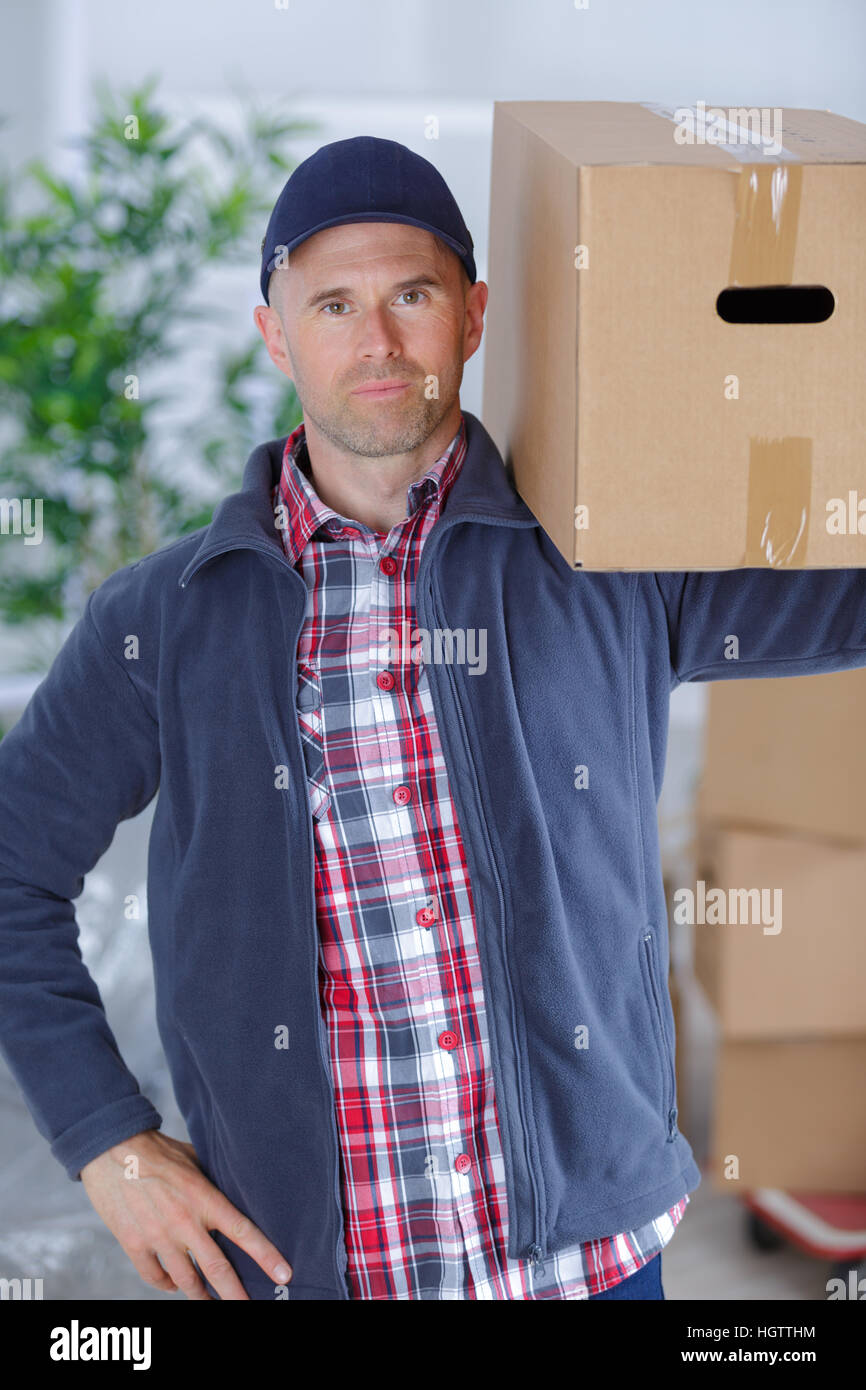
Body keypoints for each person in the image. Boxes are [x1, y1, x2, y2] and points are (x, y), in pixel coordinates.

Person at [1, 136, 864, 1301]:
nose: (377, 340)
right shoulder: (164, 617)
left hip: (589, 1267)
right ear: (275, 332)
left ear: (471, 314)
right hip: (312, 1269)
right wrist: (106, 1139)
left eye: (411, 295)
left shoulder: (605, 558)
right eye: (334, 304)